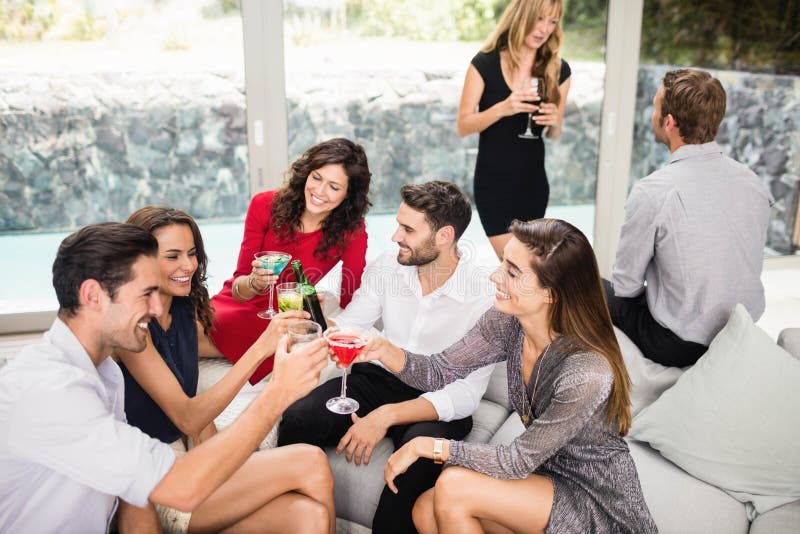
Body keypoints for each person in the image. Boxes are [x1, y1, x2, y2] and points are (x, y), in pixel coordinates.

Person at [0, 222, 332, 533]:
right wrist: (277, 393)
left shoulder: (105, 371)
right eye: (145, 294)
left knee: (310, 515)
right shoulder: (51, 391)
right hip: (176, 486)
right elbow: (181, 487)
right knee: (308, 465)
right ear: (93, 296)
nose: (158, 309)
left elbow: (130, 493)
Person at [352, 219, 658, 533]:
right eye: (502, 263)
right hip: (545, 477)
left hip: (595, 502)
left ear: (550, 293)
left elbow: (516, 460)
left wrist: (426, 446)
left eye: (512, 272)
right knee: (425, 509)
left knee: (454, 486)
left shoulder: (586, 372)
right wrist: (384, 350)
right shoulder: (507, 323)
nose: (494, 277)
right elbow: (439, 371)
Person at [278, 181, 495, 533]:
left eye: (408, 229)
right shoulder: (388, 266)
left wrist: (385, 416)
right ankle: (292, 521)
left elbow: (466, 395)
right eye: (398, 225)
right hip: (377, 379)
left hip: (438, 400)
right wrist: (318, 322)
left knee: (413, 466)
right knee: (298, 418)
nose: (395, 237)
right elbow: (353, 323)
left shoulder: (483, 296)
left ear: (444, 236)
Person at [116, 206, 334, 533]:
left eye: (192, 253)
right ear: (140, 261)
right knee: (310, 460)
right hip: (158, 482)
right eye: (172, 256)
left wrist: (303, 326)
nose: (188, 265)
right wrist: (260, 348)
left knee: (310, 516)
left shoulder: (183, 312)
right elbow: (187, 417)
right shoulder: (130, 329)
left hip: (193, 461)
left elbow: (200, 416)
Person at [606, 68, 773, 368]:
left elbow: (626, 286)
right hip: (741, 332)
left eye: (655, 108)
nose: (653, 115)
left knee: (590, 288)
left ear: (669, 122)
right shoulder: (753, 182)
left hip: (681, 344)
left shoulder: (654, 191)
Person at [211, 137, 372, 384]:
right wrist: (254, 282)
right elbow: (238, 286)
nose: (319, 192)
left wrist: (321, 319)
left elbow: (351, 296)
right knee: (194, 321)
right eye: (316, 178)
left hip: (285, 315)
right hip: (238, 304)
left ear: (349, 194)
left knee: (186, 334)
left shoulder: (352, 231)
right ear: (306, 174)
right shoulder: (264, 205)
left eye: (334, 187)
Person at [457, 0, 572, 260]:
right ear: (522, 15)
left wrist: (555, 121)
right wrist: (503, 108)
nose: (544, 29)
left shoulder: (559, 70)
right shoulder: (484, 64)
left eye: (552, 22)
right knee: (514, 263)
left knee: (530, 267)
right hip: (493, 184)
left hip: (533, 183)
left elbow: (553, 134)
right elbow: (463, 125)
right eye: (539, 18)